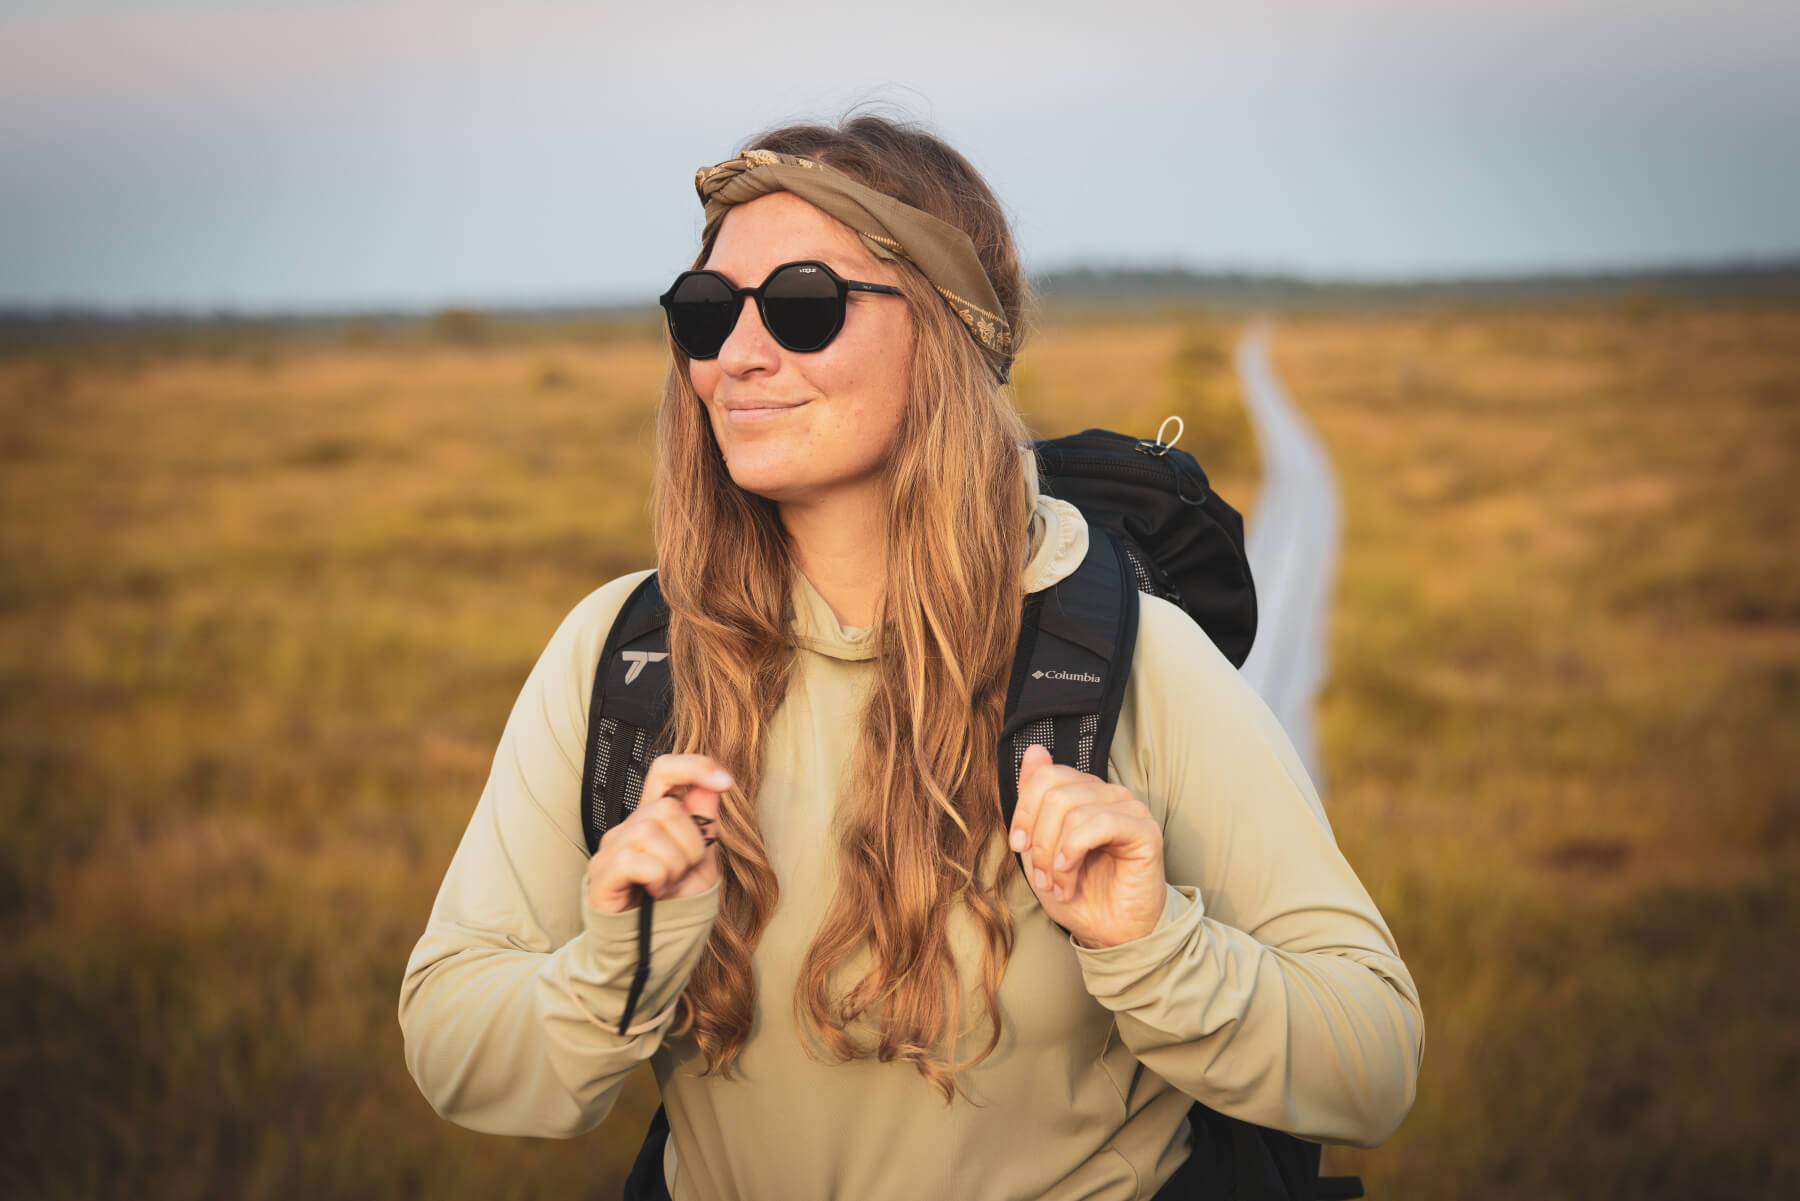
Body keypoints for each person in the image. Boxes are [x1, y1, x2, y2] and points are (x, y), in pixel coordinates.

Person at [399, 115, 1423, 1201]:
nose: (739, 354)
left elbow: (1374, 1063)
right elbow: (454, 1047)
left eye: (803, 305)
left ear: (946, 331)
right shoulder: (624, 656)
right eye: (703, 314)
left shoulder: (1126, 658)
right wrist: (622, 956)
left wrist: (1156, 944)